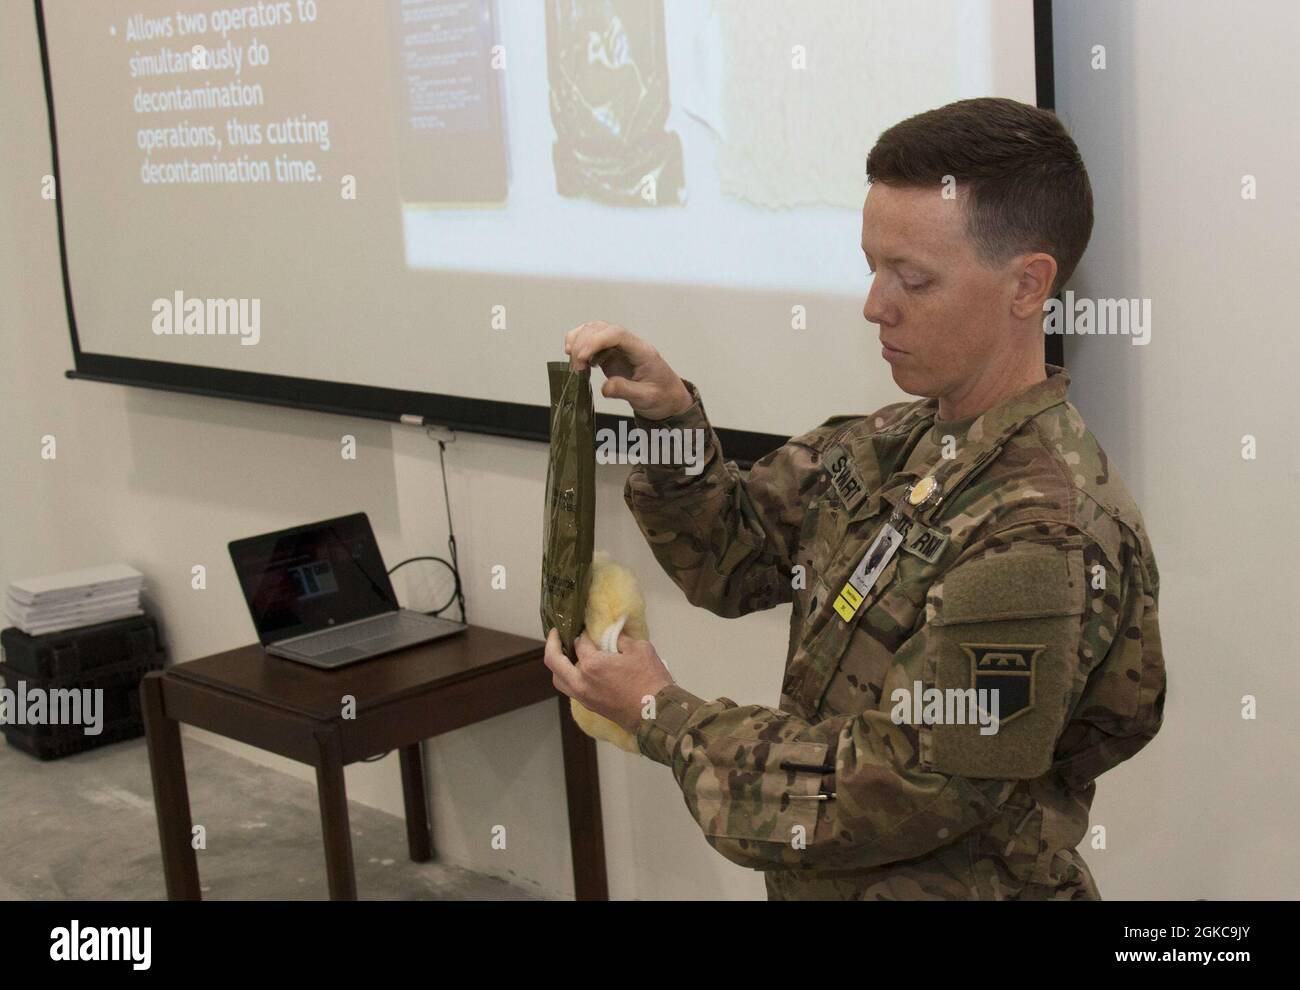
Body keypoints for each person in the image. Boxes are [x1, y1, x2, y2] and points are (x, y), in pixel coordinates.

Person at [544, 97, 1166, 900]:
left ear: (1028, 284)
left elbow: (915, 782)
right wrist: (668, 423)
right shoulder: (889, 443)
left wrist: (663, 715)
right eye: (872, 267)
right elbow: (734, 560)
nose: (876, 305)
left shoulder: (1039, 534)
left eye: (913, 279)